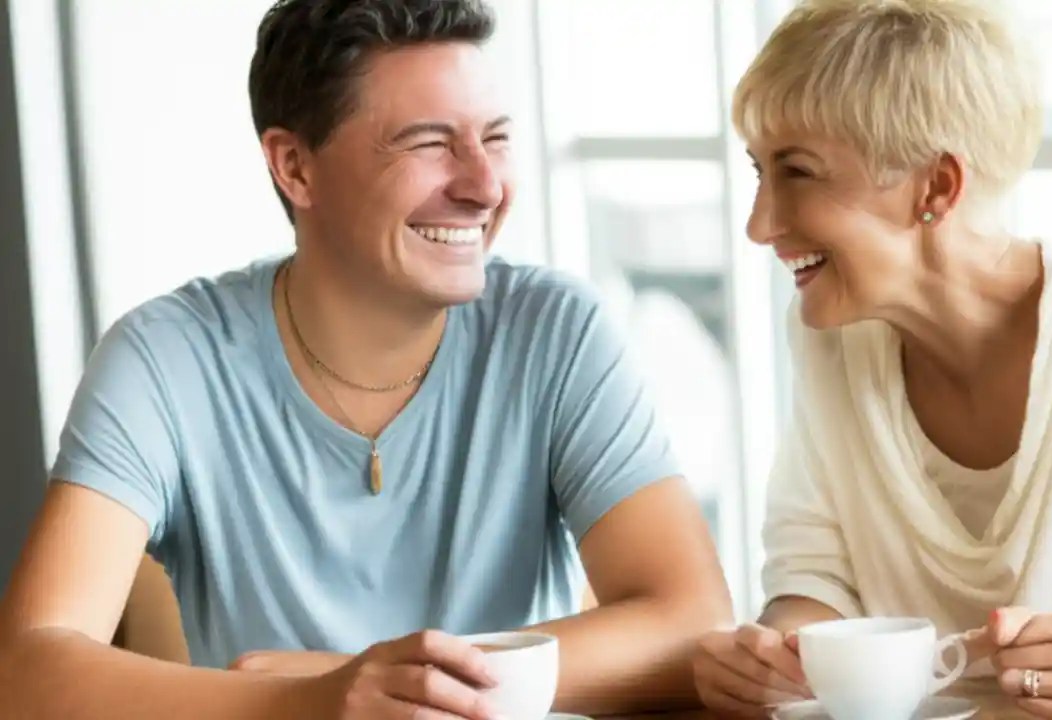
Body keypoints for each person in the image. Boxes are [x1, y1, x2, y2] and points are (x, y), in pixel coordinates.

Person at [0, 1, 732, 718]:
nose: (484, 186)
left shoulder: (556, 331)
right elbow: (25, 672)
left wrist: (384, 680)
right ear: (295, 167)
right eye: (429, 143)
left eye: (495, 137)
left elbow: (692, 622)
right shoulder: (165, 358)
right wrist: (315, 700)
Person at [692, 0, 1052, 718]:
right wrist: (775, 659)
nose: (760, 225)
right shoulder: (832, 333)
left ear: (937, 187)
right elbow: (815, 576)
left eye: (799, 173)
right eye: (759, 170)